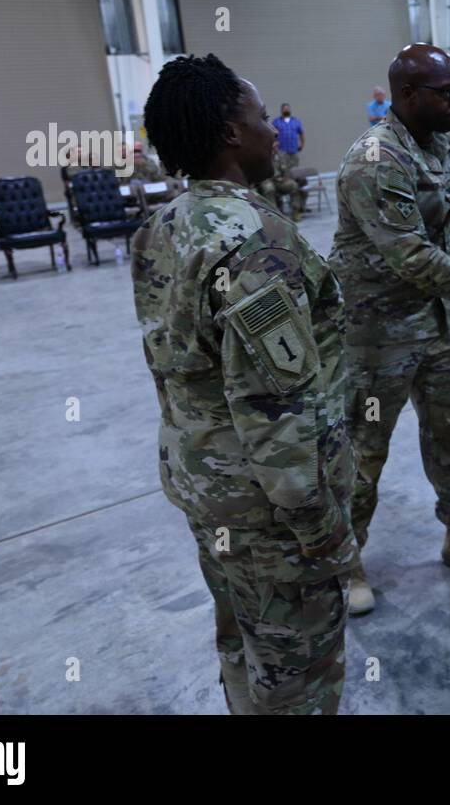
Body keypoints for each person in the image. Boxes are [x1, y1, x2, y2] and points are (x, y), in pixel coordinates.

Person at [131, 54, 357, 715]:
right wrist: (321, 528)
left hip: (206, 490)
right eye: (261, 118)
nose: (271, 132)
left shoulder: (160, 228)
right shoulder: (256, 241)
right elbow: (275, 412)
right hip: (269, 518)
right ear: (232, 131)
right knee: (297, 677)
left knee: (239, 643)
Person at [330, 43, 450, 616]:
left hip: (438, 326)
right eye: (447, 92)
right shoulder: (376, 160)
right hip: (375, 335)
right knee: (362, 451)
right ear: (408, 95)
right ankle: (344, 563)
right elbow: (410, 256)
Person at [261, 103, 307, 219]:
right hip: (281, 154)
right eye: (284, 109)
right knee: (269, 188)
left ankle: (297, 210)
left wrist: (301, 144)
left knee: (294, 180)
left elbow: (301, 133)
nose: (286, 110)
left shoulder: (296, 121)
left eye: (287, 108)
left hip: (292, 152)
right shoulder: (276, 122)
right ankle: (275, 214)